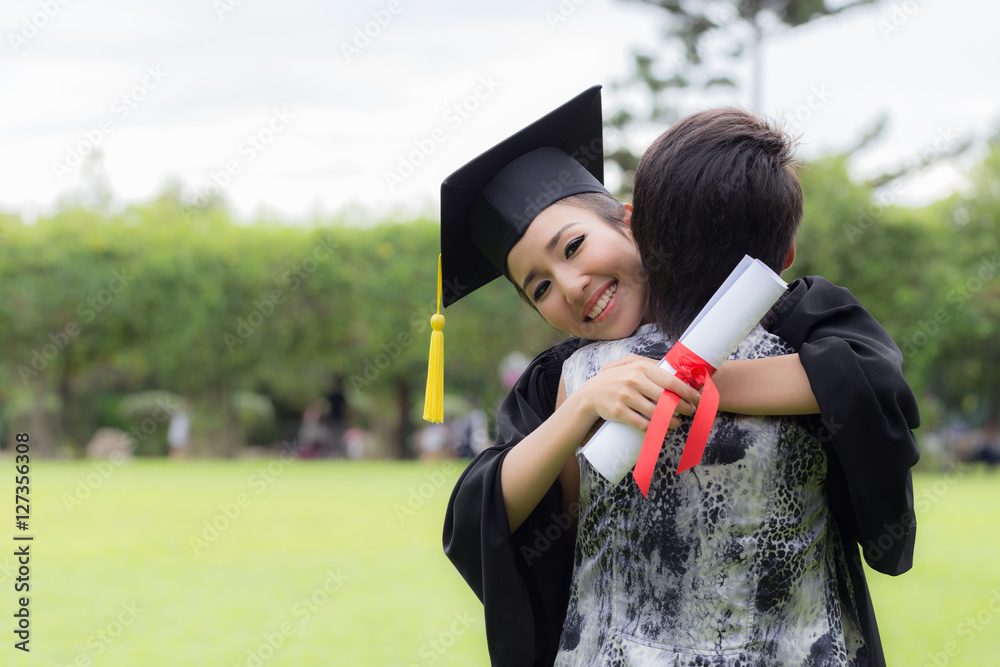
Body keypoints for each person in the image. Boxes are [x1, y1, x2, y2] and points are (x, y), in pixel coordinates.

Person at [440, 87, 919, 666]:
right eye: (539, 287)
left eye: (572, 246)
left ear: (632, 224)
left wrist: (682, 380)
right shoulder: (560, 381)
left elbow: (865, 379)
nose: (569, 286)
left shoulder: (779, 315)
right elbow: (482, 516)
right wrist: (585, 404)